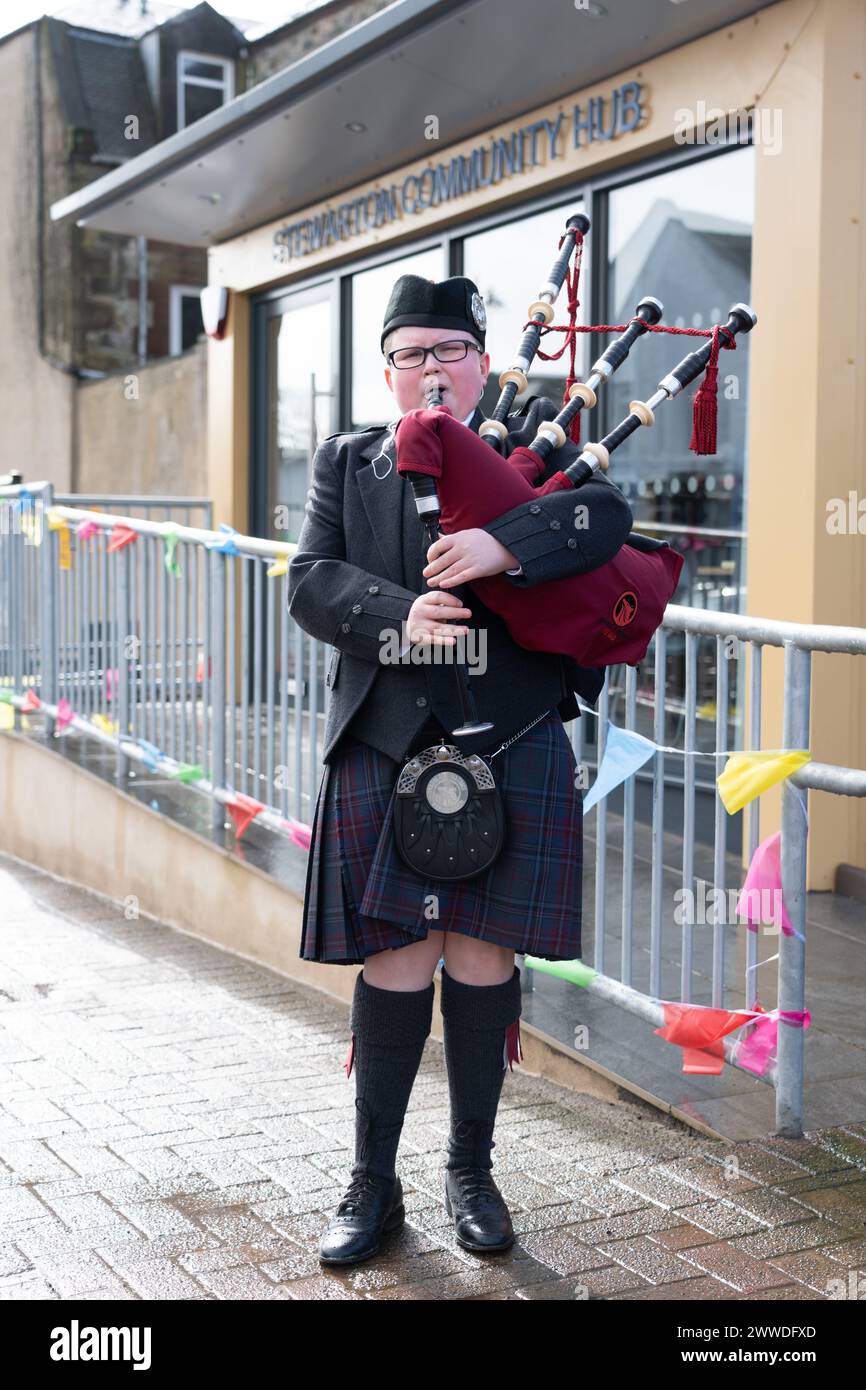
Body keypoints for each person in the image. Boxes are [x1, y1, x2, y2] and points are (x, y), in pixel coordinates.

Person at [286, 274, 633, 1267]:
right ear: (388, 369)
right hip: (386, 739)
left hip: (512, 735)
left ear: (479, 361)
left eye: (448, 351)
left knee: (483, 959)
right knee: (396, 959)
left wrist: (500, 541)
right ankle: (371, 1183)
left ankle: (470, 1172)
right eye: (411, 354)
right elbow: (308, 582)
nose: (430, 370)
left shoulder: (537, 450)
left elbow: (602, 520)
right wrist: (397, 618)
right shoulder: (346, 461)